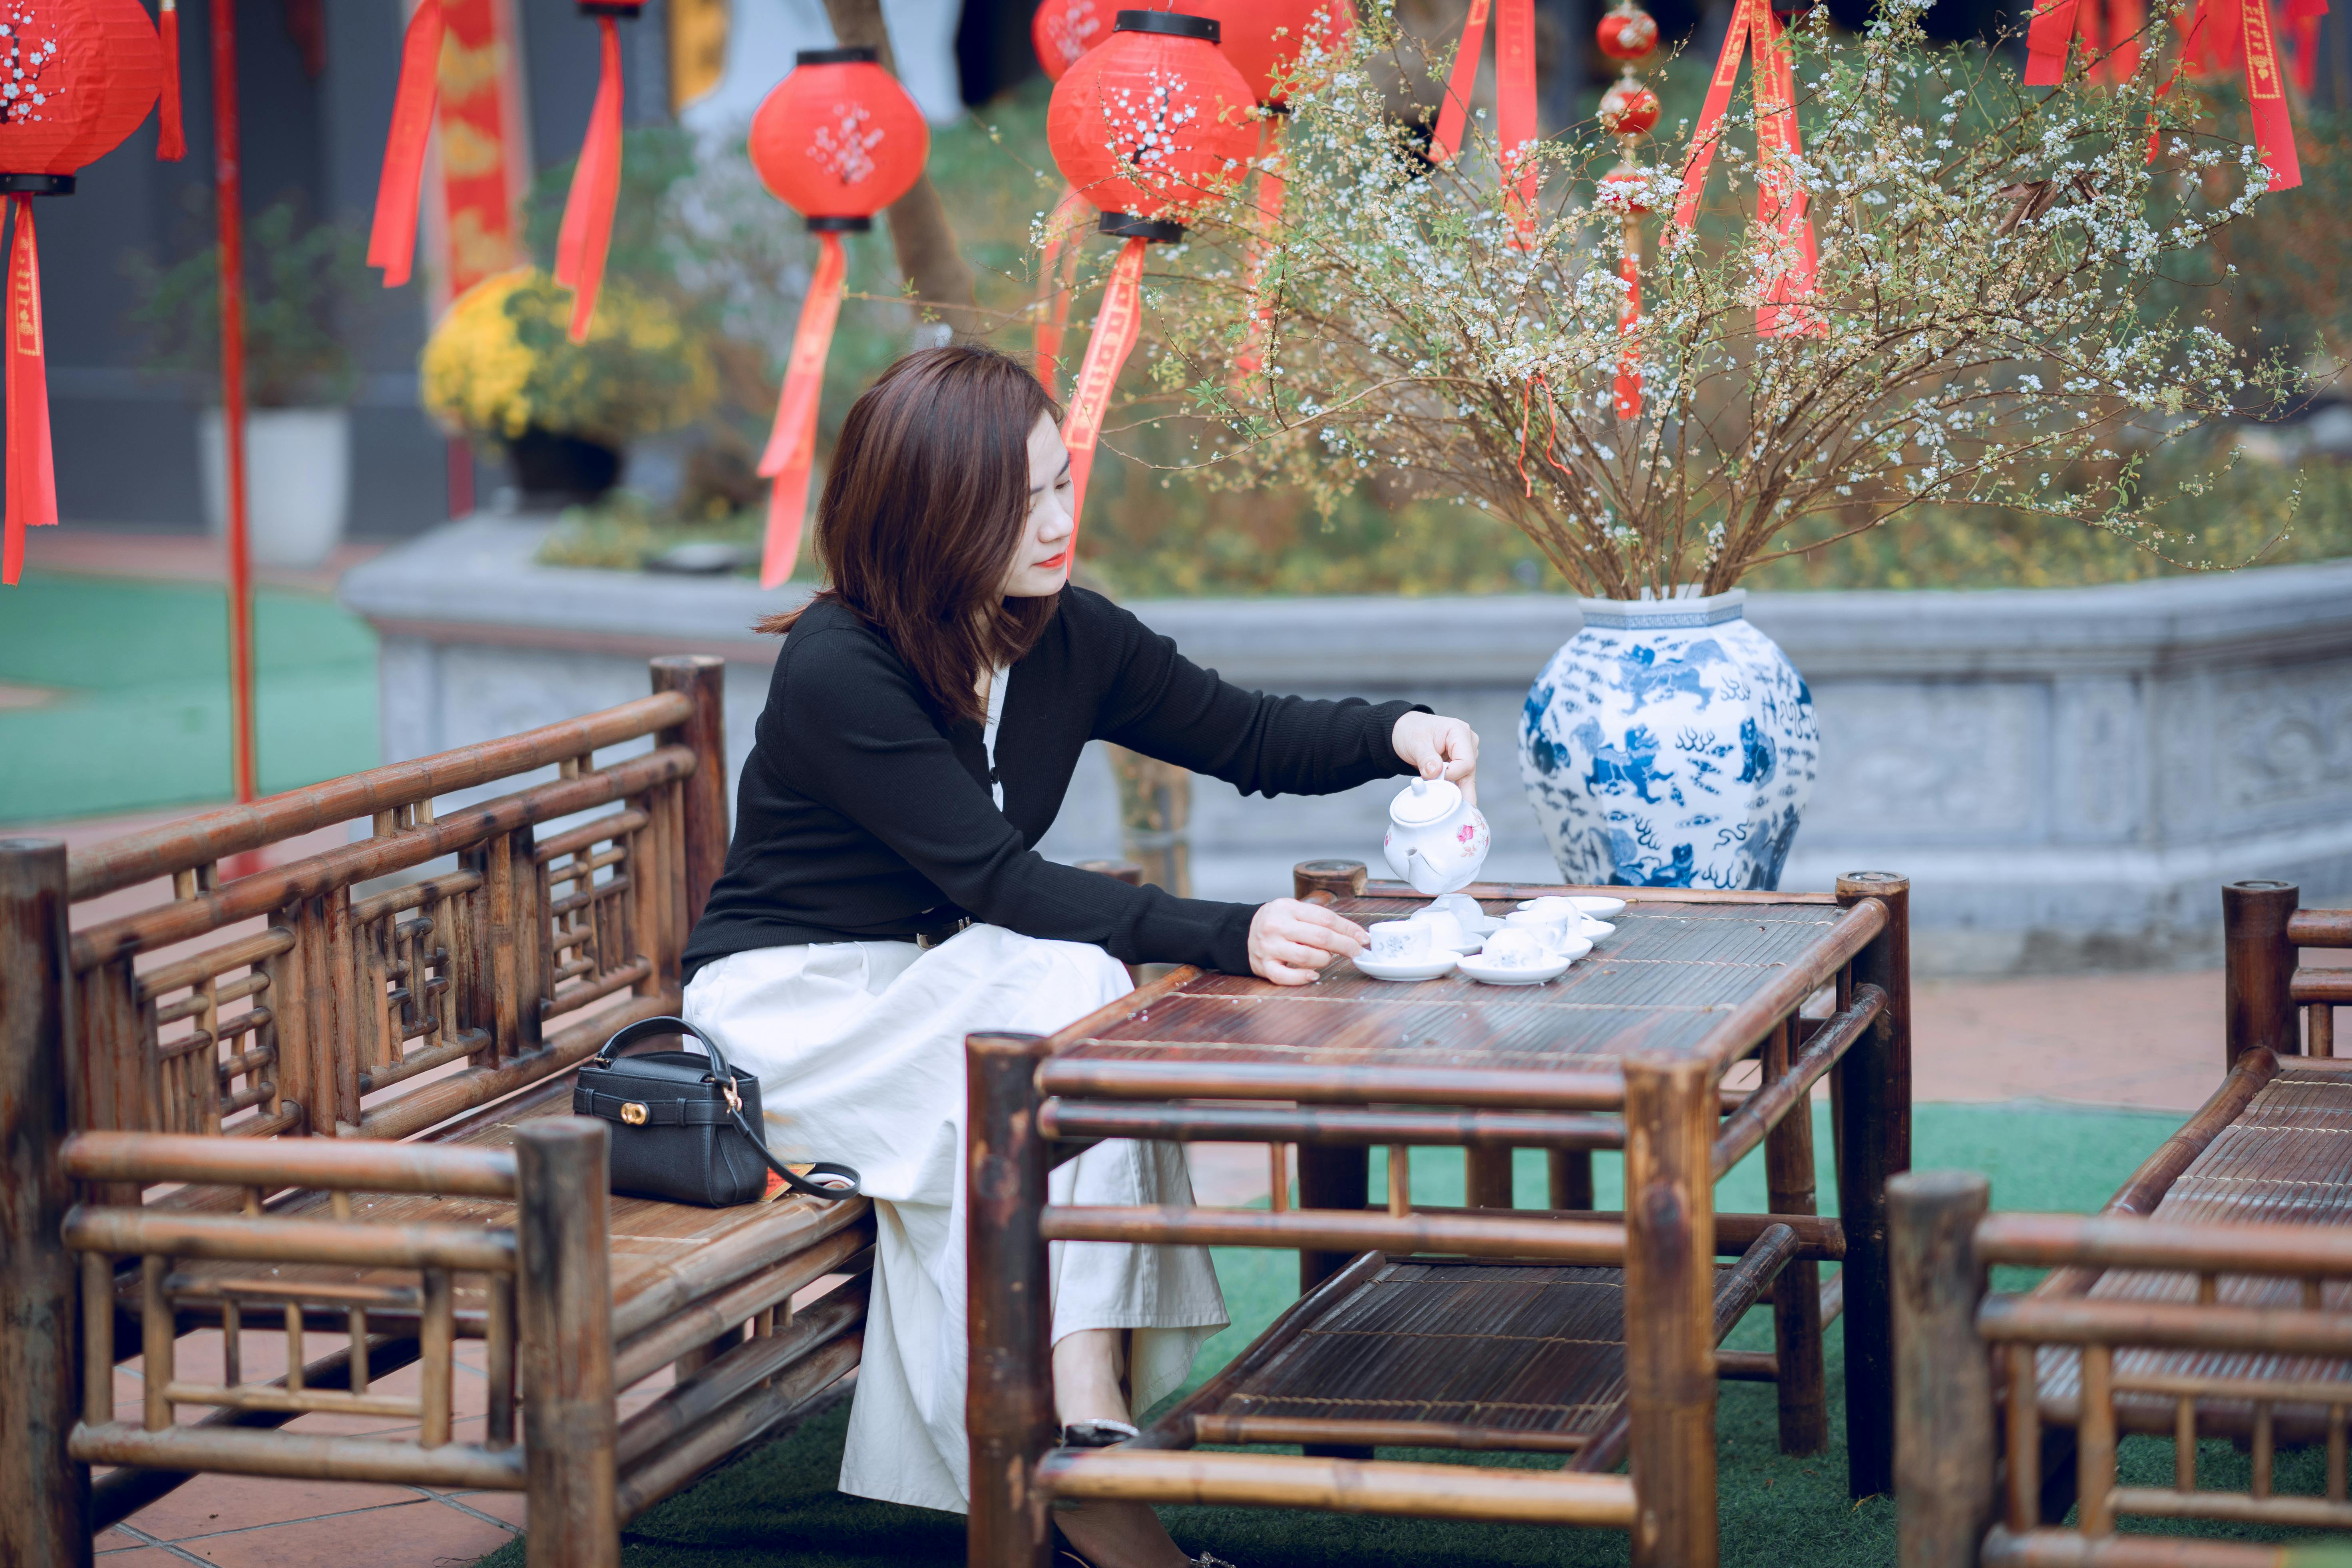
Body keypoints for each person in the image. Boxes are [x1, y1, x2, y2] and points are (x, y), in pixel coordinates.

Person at [680, 345, 1480, 1568]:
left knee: (1052, 1022)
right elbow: (996, 881)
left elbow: (1247, 730)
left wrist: (1399, 729)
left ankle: (1069, 1439)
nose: (1060, 522)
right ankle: (1081, 1430)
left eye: (1064, 483)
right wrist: (1230, 931)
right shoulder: (842, 666)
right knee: (1068, 989)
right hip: (794, 1019)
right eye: (1025, 502)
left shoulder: (1063, 635)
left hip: (945, 991)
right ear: (933, 512)